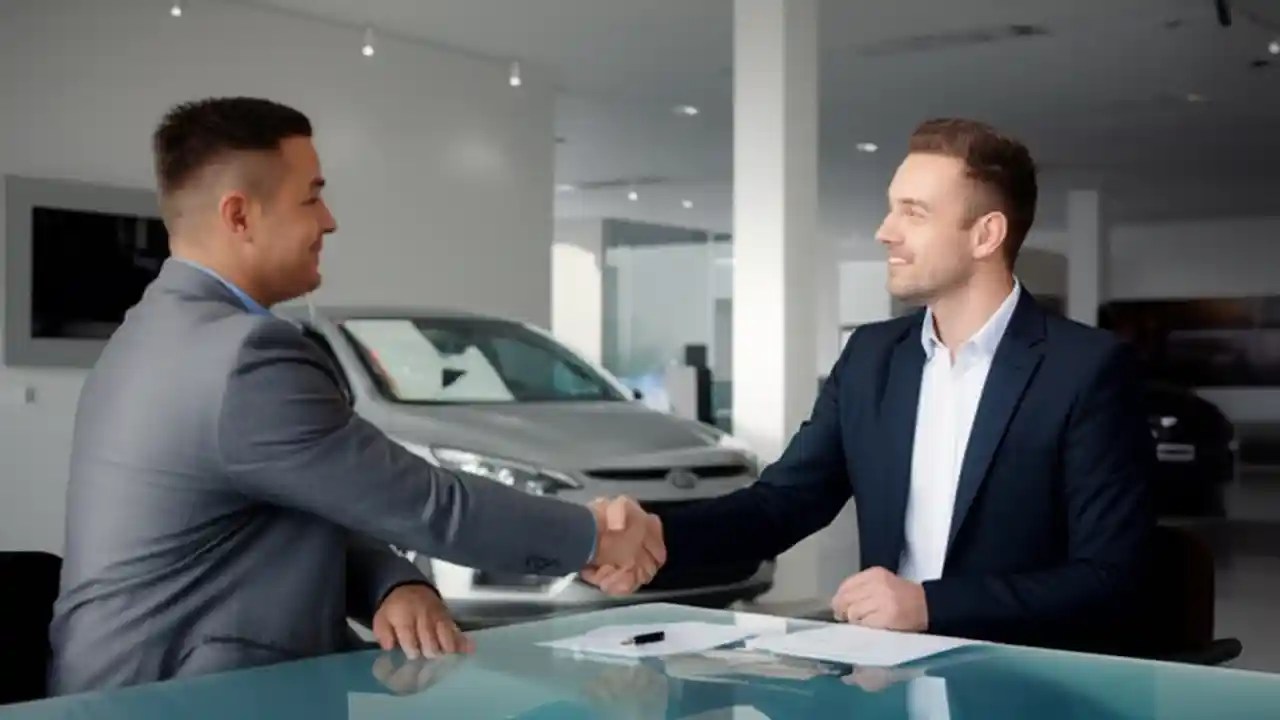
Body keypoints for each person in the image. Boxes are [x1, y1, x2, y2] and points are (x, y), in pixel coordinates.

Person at [48, 97, 664, 695]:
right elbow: (428, 504)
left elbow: (278, 509)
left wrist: (390, 583)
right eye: (311, 196)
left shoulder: (148, 334)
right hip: (170, 701)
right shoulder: (244, 358)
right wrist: (592, 537)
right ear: (239, 216)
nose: (329, 220)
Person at [588, 118, 1155, 652]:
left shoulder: (1088, 369)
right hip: (888, 677)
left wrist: (928, 604)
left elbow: (1110, 577)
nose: (885, 232)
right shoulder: (871, 358)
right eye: (891, 210)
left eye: (913, 212)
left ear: (986, 234)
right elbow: (783, 503)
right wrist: (658, 535)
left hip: (1028, 686)